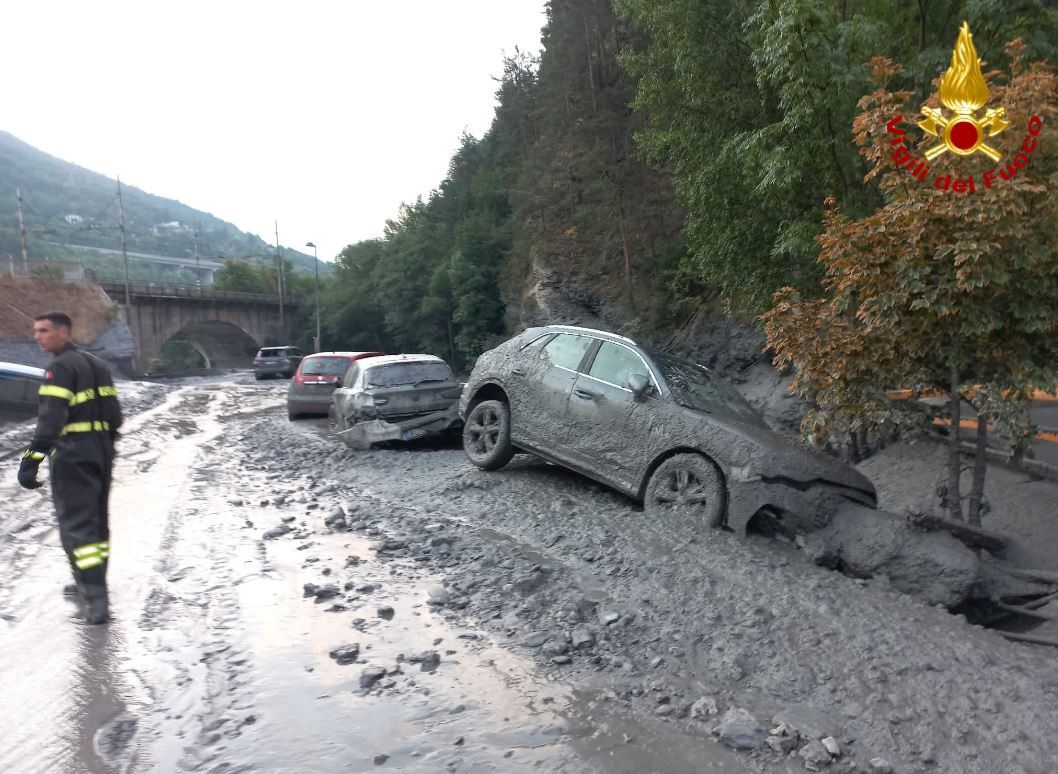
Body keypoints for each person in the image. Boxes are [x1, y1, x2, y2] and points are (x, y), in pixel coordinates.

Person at [17, 312, 122, 624]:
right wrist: (105, 445)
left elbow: (50, 421)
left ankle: (95, 599)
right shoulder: (98, 365)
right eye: (36, 331)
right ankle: (87, 583)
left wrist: (30, 462)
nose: (38, 336)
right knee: (97, 522)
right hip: (100, 449)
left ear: (63, 332)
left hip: (72, 452)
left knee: (77, 524)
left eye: (44, 331)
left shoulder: (59, 368)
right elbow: (115, 415)